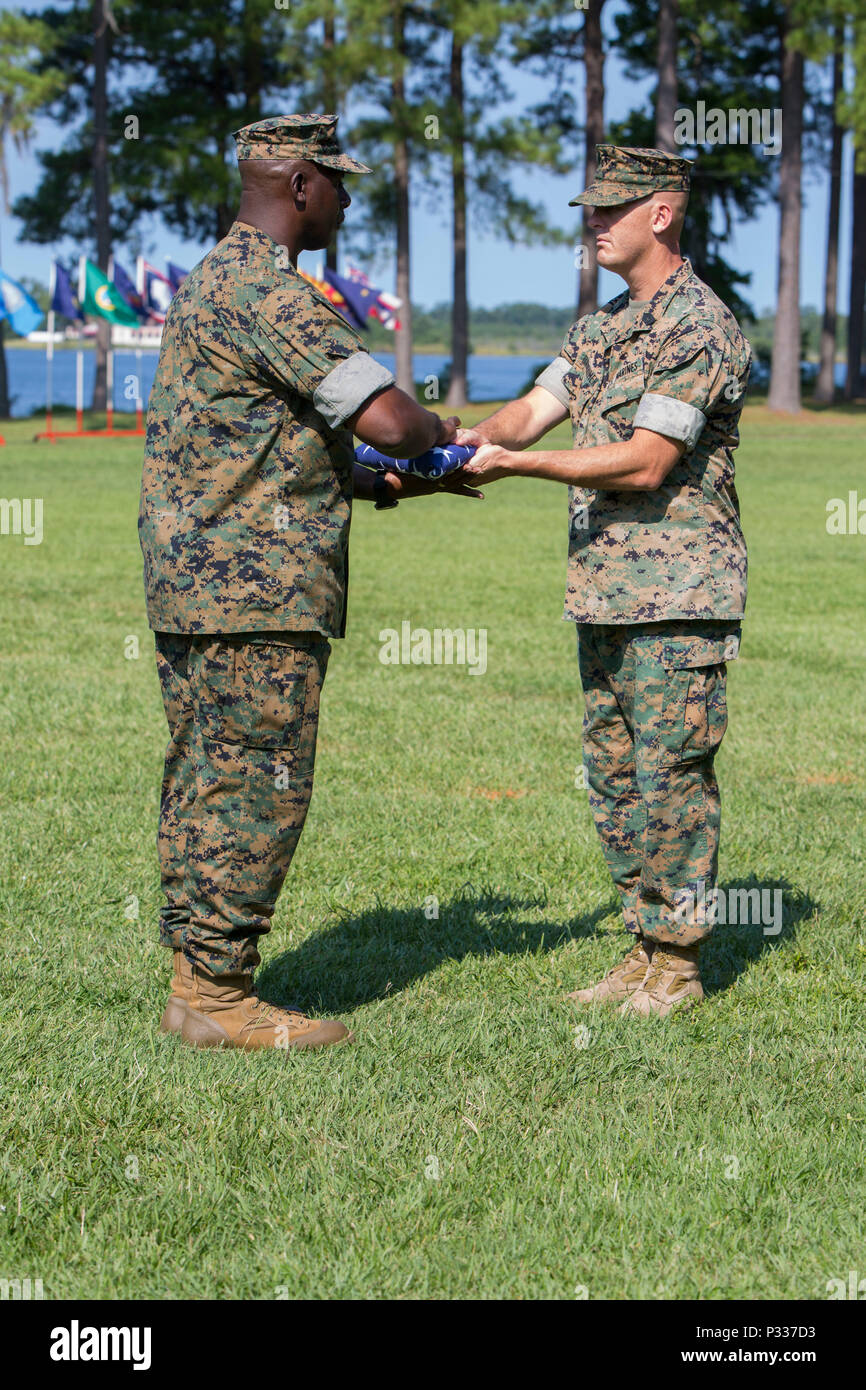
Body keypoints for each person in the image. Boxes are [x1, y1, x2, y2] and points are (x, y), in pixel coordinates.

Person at [139, 113, 480, 1050]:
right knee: (258, 784)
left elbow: (244, 440)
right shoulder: (273, 294)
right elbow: (393, 418)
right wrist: (445, 446)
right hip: (256, 591)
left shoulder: (210, 278)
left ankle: (193, 981)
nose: (349, 197)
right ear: (298, 185)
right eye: (339, 180)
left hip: (195, 583)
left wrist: (368, 481)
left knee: (204, 778)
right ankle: (219, 998)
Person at [457, 145, 751, 1017]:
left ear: (661, 214)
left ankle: (681, 965)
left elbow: (645, 462)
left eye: (608, 210)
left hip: (678, 596)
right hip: (604, 593)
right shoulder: (600, 328)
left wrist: (517, 464)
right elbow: (530, 410)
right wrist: (454, 448)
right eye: (588, 210)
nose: (591, 224)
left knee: (673, 776)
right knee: (616, 776)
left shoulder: (699, 325)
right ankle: (641, 945)